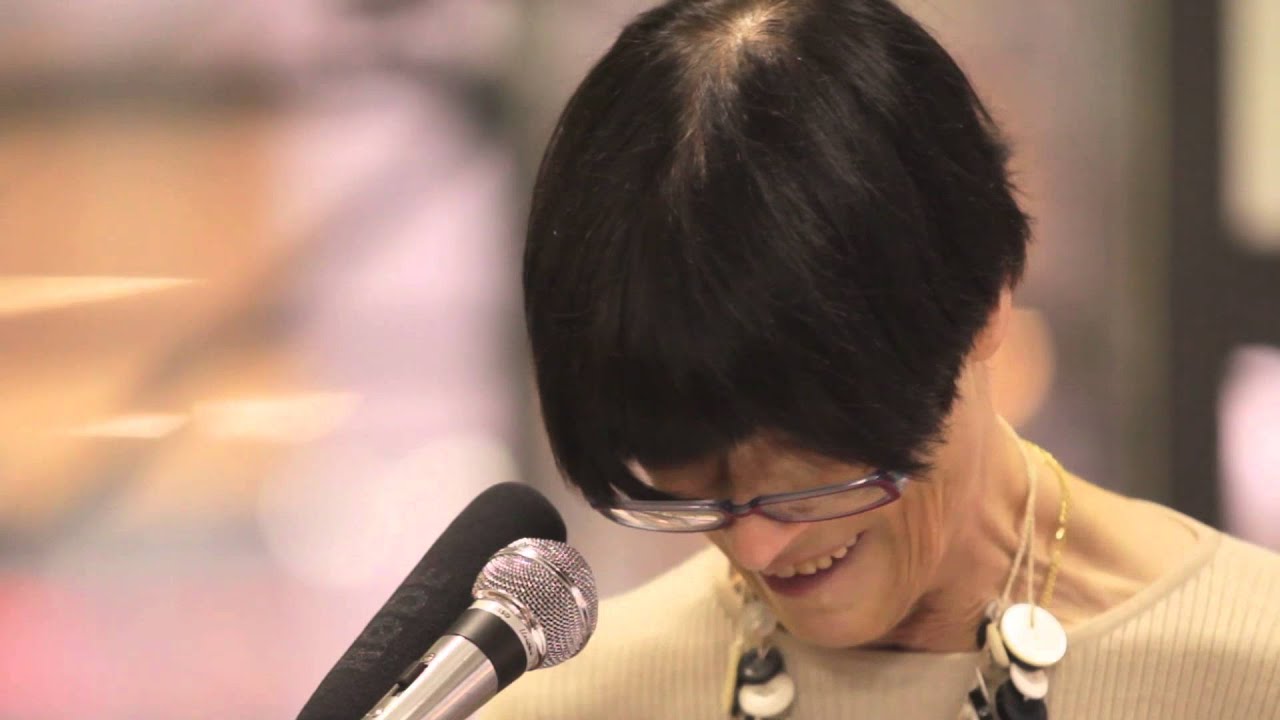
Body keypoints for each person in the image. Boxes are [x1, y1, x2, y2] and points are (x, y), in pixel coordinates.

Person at [484, 0, 1280, 717]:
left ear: (985, 304)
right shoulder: (579, 700)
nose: (757, 548)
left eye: (811, 472)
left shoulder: (1249, 665)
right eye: (690, 479)